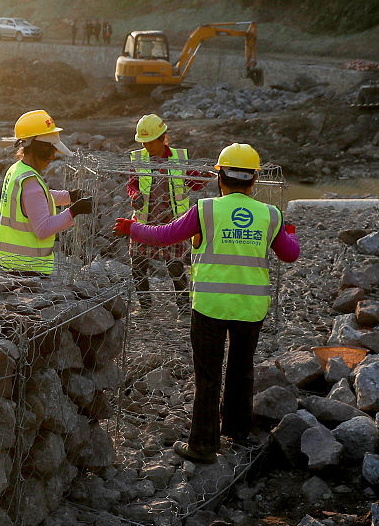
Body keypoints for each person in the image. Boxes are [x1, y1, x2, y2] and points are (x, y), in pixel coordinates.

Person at [112, 143, 299, 464]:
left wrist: (133, 229)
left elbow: (163, 235)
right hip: (250, 308)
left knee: (208, 374)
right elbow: (290, 253)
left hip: (210, 306)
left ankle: (202, 445)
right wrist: (290, 233)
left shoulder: (206, 209)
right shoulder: (271, 215)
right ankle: (238, 431)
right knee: (242, 369)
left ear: (220, 178)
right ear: (254, 180)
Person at [0, 110, 91, 276]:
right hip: (27, 268)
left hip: (10, 262)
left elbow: (36, 199)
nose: (53, 155)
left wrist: (70, 196)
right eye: (50, 150)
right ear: (37, 147)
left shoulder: (17, 170)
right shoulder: (30, 181)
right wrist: (74, 211)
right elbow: (43, 229)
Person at [127, 114, 206, 309]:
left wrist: (204, 178)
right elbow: (132, 184)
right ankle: (145, 306)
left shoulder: (178, 159)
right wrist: (134, 195)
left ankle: (184, 308)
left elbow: (193, 182)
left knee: (175, 266)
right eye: (143, 143)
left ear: (163, 139)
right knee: (137, 264)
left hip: (173, 222)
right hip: (145, 219)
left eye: (150, 143)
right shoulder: (139, 159)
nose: (146, 147)